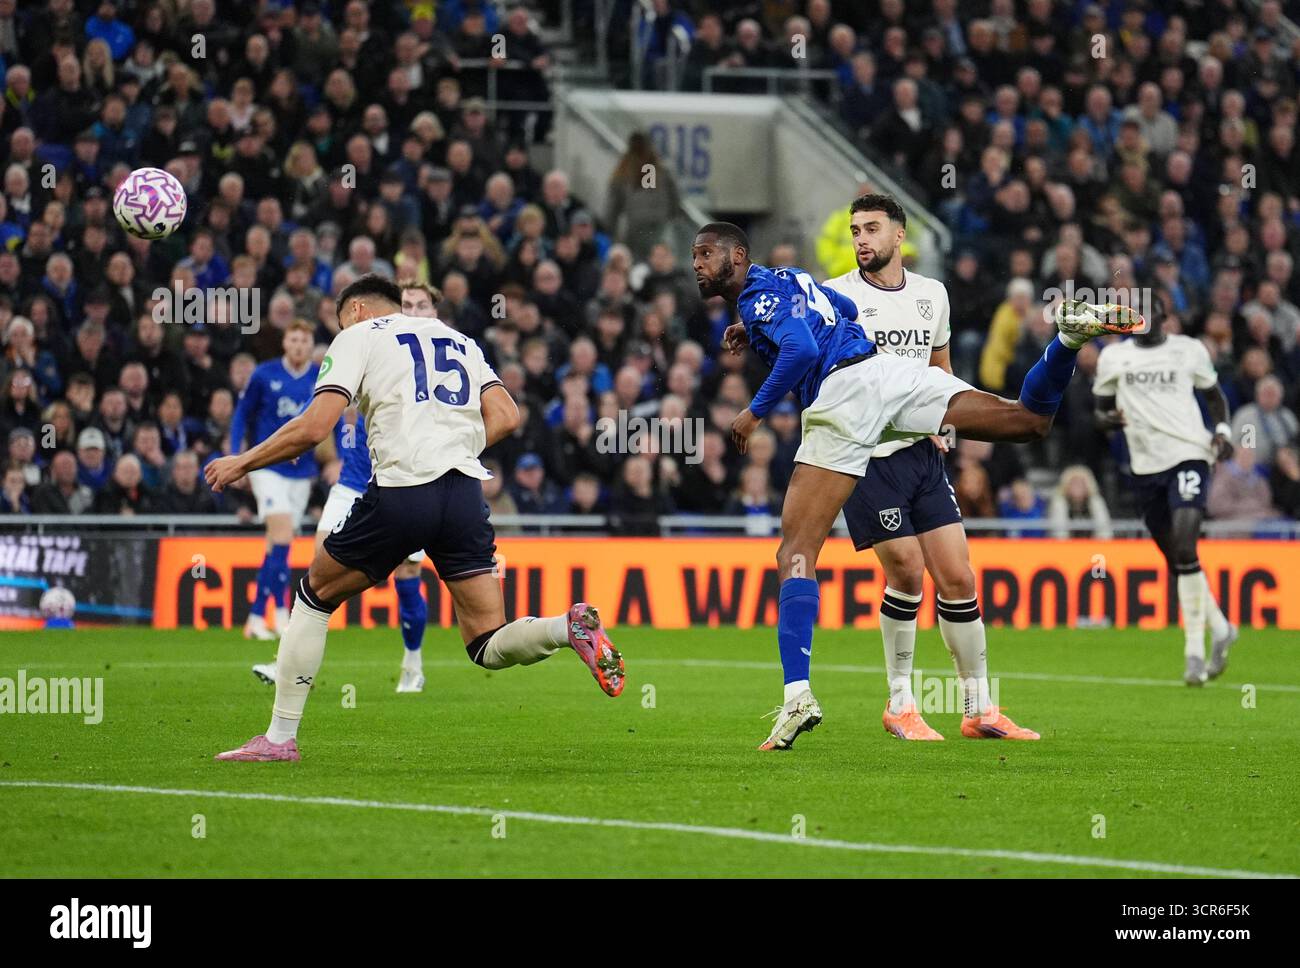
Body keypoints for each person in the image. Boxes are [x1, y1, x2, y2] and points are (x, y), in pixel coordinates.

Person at [703, 218, 1138, 751]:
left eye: (706, 254)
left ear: (738, 256)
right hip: (888, 376)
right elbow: (836, 316)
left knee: (796, 552)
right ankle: (1067, 340)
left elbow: (800, 353)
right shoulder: (791, 278)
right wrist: (758, 332)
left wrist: (753, 412)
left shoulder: (755, 297)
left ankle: (798, 695)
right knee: (1026, 421)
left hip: (843, 402)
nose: (697, 264)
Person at [205, 275, 625, 762]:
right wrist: (454, 446)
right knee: (487, 642)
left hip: (404, 490)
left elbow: (313, 427)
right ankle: (564, 627)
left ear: (357, 310)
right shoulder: (457, 337)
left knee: (312, 597)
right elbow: (509, 415)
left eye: (342, 320)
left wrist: (242, 462)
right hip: (465, 496)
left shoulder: (357, 336)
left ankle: (278, 740)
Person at [821, 194, 1038, 741]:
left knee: (960, 578)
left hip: (921, 454)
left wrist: (946, 425)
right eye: (855, 230)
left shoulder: (931, 296)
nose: (861, 239)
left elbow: (940, 367)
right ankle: (900, 704)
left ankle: (979, 709)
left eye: (872, 228)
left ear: (899, 236)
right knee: (907, 570)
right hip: (866, 454)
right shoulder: (835, 298)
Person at [1093, 302, 1238, 685]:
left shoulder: (1188, 350)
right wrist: (1108, 420)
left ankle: (1193, 652)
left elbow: (1215, 397)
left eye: (1150, 313)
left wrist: (1222, 433)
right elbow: (1101, 411)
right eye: (1134, 314)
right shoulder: (1113, 358)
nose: (1142, 320)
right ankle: (1222, 628)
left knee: (1187, 548)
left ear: (1164, 318)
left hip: (1191, 453)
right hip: (1146, 468)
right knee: (1178, 559)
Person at [312, 282, 442, 694]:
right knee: (317, 566)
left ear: (434, 313)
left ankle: (413, 663)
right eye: (408, 304)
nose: (413, 310)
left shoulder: (442, 358)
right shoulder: (373, 344)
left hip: (405, 481)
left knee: (405, 574)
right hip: (354, 479)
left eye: (422, 305)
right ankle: (293, 666)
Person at [230, 320, 320, 651]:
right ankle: (269, 616)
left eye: (304, 340)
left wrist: (339, 457)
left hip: (303, 471)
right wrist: (236, 455)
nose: (298, 345)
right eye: (293, 339)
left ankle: (266, 616)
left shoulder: (319, 378)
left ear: (311, 346)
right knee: (282, 534)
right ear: (285, 343)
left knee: (278, 544)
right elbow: (242, 414)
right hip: (266, 466)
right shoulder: (264, 375)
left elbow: (334, 419)